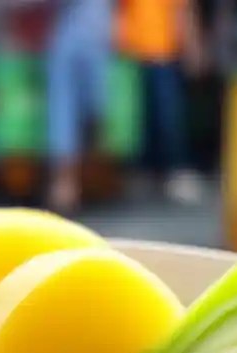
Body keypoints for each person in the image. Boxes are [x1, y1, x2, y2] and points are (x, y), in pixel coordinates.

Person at [116, 0, 205, 204]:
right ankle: (146, 171)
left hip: (163, 51)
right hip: (132, 52)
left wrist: (193, 46)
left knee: (167, 115)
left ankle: (174, 169)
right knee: (137, 119)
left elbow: (184, 10)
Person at [44, 0, 114, 213]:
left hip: (87, 37)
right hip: (85, 36)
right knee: (72, 109)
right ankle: (69, 182)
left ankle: (71, 182)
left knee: (81, 111)